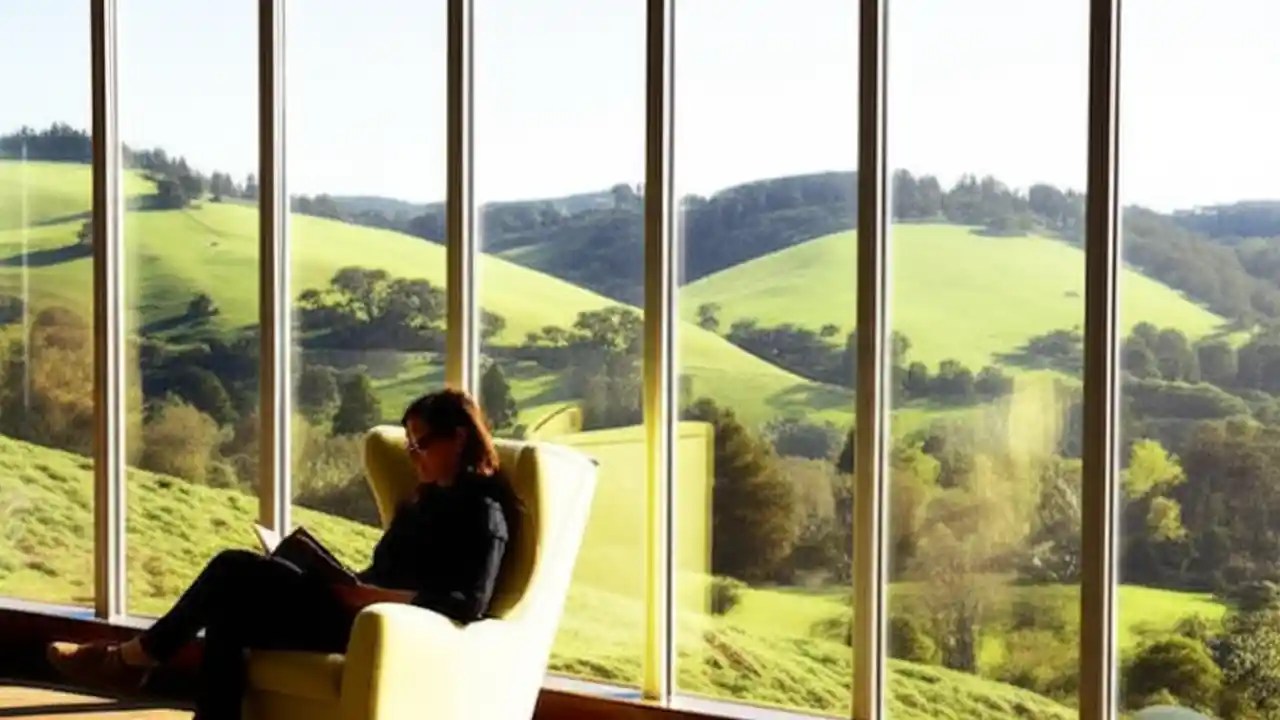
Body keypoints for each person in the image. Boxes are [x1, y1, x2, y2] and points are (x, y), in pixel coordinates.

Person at [47, 389, 516, 720]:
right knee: (231, 613)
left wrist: (376, 597)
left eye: (422, 444)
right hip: (353, 611)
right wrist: (344, 578)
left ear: (457, 438)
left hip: (387, 630)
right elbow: (382, 568)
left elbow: (467, 602)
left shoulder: (484, 513)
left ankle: (130, 661)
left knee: (232, 567)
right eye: (410, 445)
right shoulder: (420, 504)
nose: (413, 456)